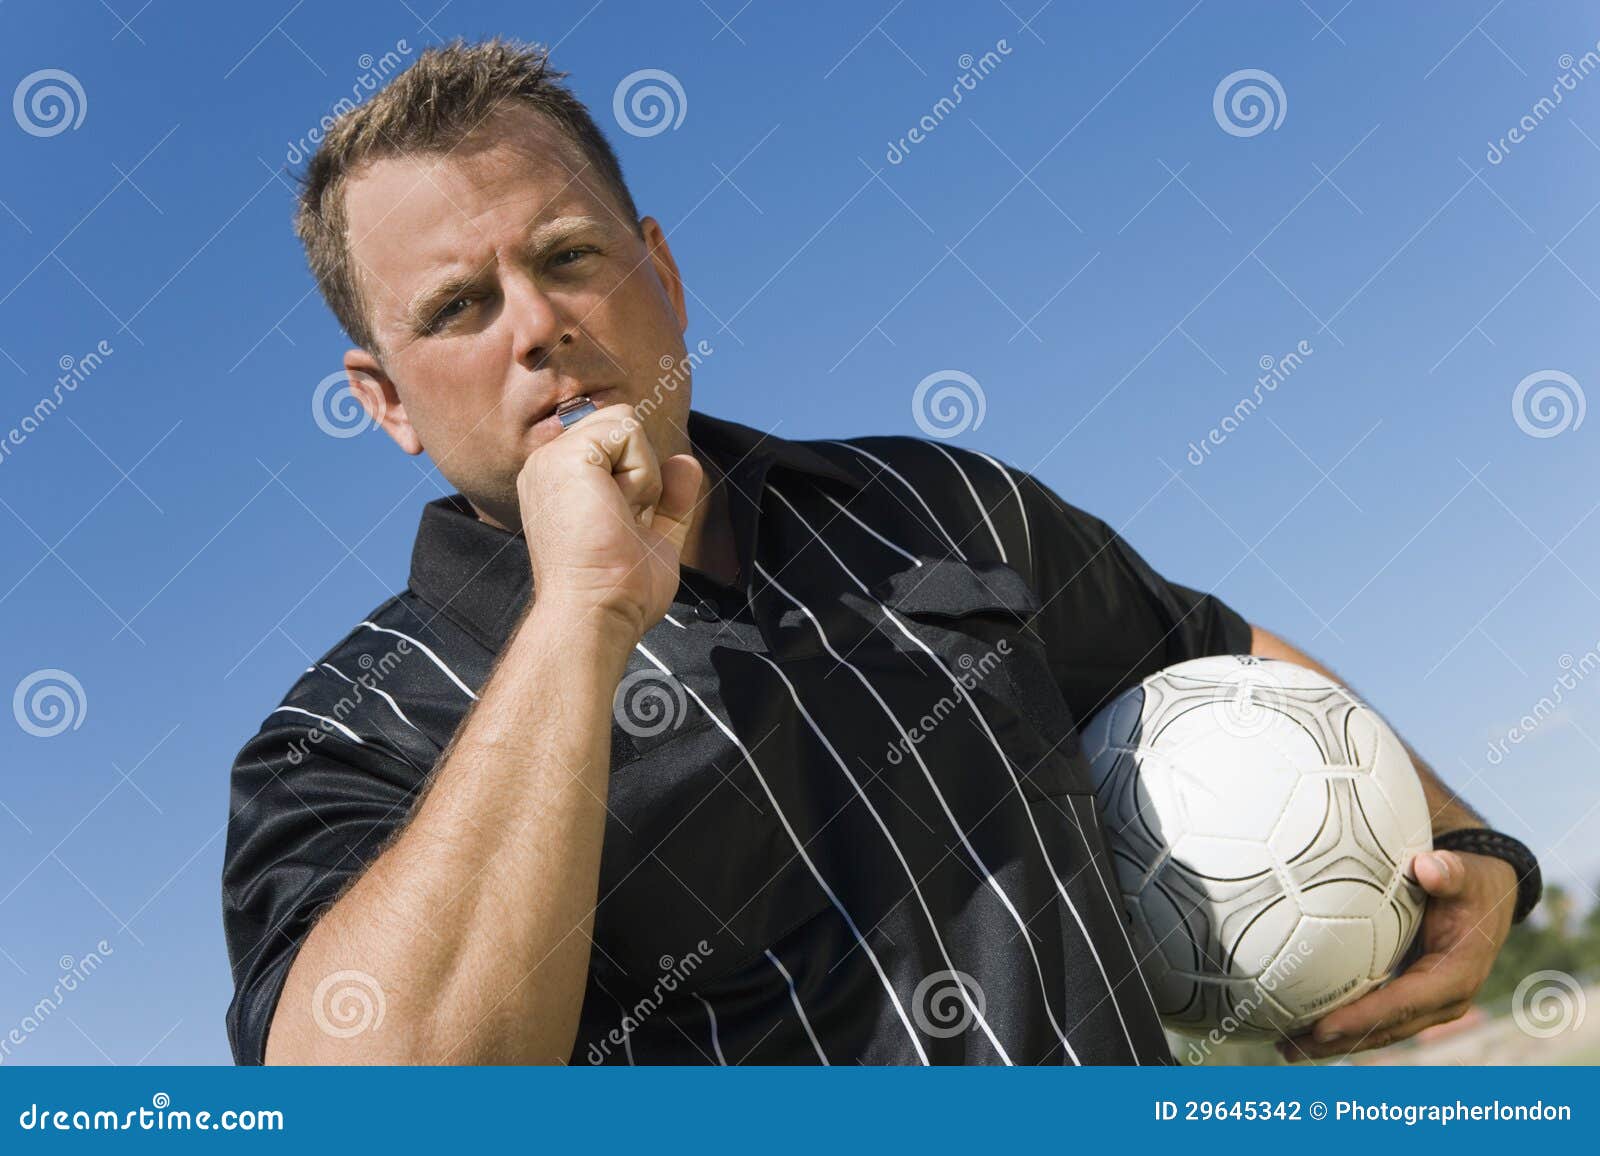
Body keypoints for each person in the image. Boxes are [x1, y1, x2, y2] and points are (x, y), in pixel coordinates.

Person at [221, 39, 1534, 1066]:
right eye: (457, 306)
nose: (539, 325)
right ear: (383, 398)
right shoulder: (345, 738)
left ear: (660, 276)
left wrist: (1478, 851)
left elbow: (1216, 654)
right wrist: (580, 613)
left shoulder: (937, 502)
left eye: (568, 256)